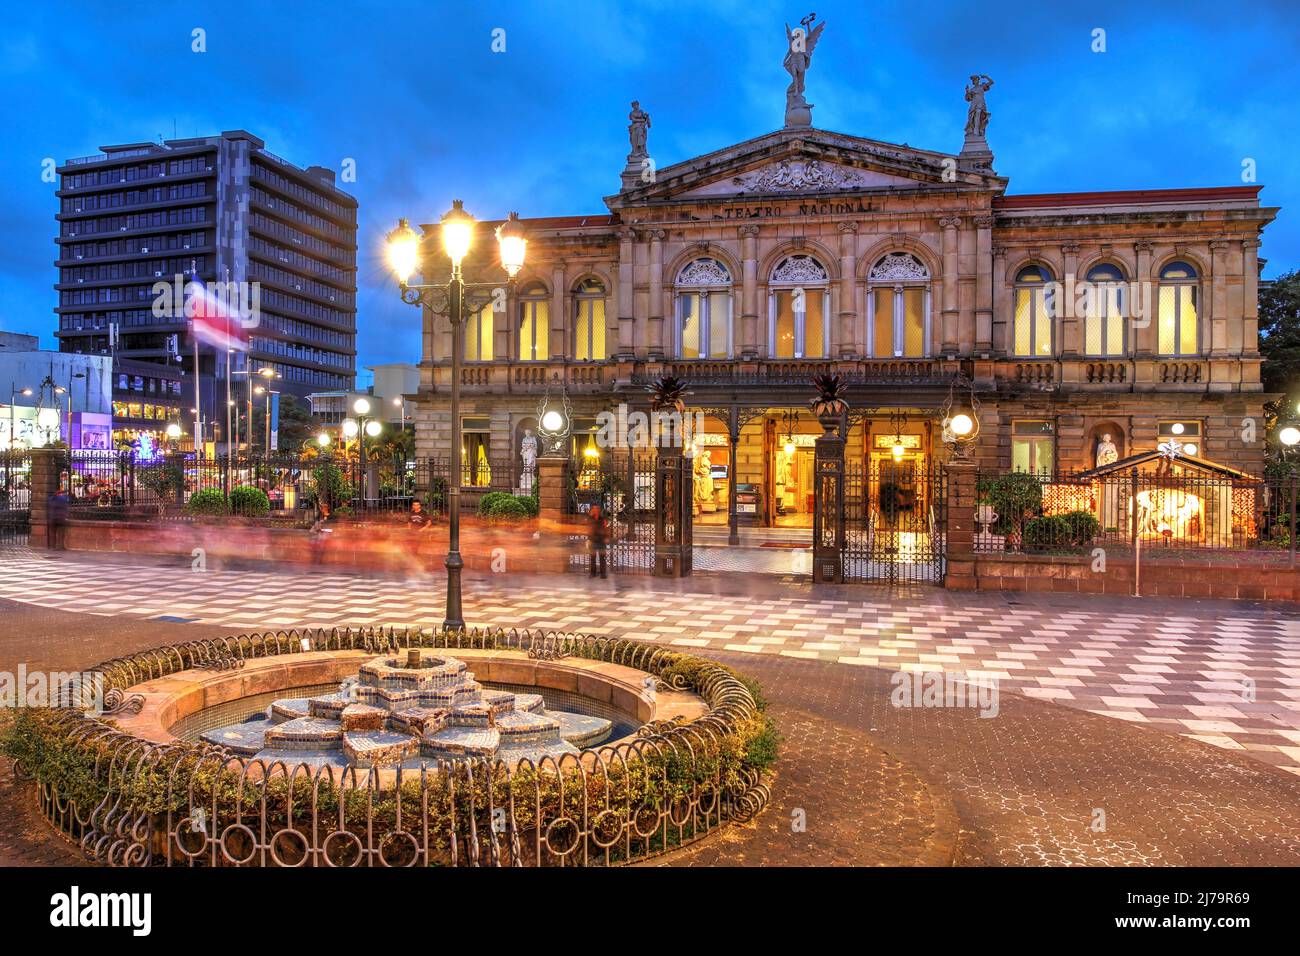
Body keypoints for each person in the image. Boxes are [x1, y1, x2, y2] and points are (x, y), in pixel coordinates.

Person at [588, 503, 608, 579]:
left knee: (602, 558)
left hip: (601, 540)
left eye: (597, 508)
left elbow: (606, 528)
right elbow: (588, 529)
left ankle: (603, 573)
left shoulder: (603, 518)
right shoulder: (590, 518)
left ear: (599, 510)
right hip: (593, 540)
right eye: (594, 508)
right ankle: (593, 573)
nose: (596, 510)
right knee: (592, 558)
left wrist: (606, 537)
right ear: (592, 509)